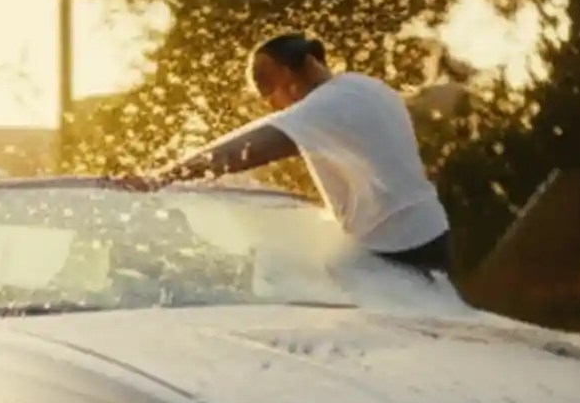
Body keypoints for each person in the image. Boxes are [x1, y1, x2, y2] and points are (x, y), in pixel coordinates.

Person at [113, 32, 452, 276]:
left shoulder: (327, 104)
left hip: (396, 247)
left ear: (305, 65)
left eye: (267, 81)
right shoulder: (365, 87)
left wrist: (162, 178)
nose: (269, 99)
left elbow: (246, 149)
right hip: (425, 233)